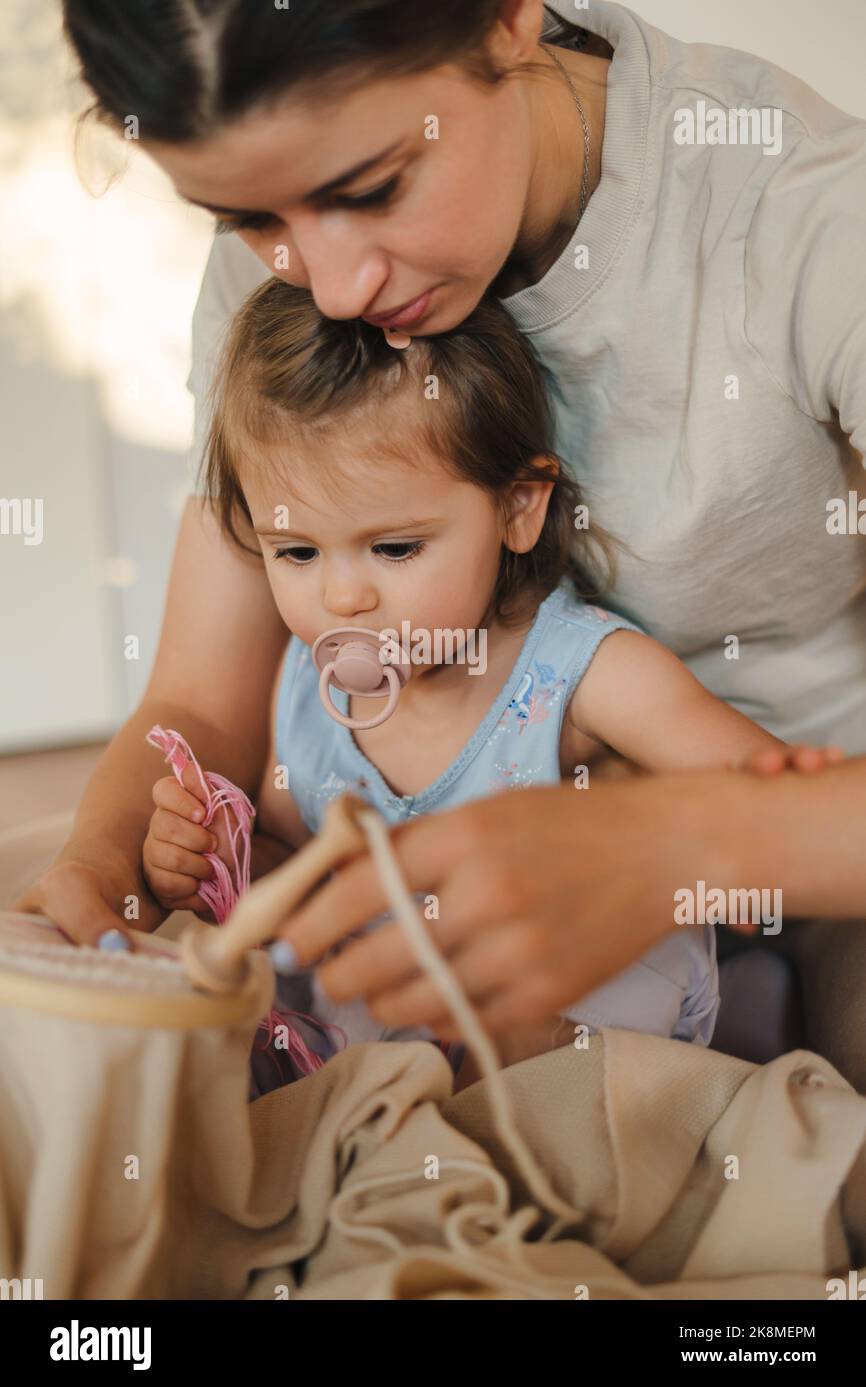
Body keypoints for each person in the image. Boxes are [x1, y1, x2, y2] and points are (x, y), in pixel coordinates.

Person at [18, 1, 866, 1086]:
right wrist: (101, 866)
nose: (331, 288)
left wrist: (671, 845)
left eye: (370, 189)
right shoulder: (274, 275)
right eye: (242, 218)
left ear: (509, 16)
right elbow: (198, 703)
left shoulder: (811, 224)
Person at [144, 279, 838, 1078]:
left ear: (518, 509)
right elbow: (294, 864)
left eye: (396, 549)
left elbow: (767, 806)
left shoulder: (580, 671)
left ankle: (739, 1012)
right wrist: (221, 862)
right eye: (296, 553)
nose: (341, 597)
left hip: (563, 1036)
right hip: (392, 1037)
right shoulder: (307, 684)